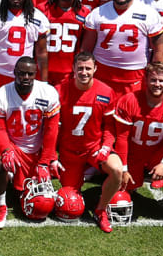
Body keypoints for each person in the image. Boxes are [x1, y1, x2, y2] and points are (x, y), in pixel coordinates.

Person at [109, 62, 163, 233]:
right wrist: (124, 168)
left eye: (161, 81)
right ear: (146, 80)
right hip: (133, 153)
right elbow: (123, 138)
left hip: (157, 152)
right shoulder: (130, 100)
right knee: (122, 190)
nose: (157, 84)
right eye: (153, 80)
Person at [53, 54, 127, 232]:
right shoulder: (59, 90)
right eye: (80, 68)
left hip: (94, 148)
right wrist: (52, 155)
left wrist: (106, 146)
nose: (84, 72)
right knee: (69, 199)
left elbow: (110, 127)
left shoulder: (106, 92)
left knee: (117, 169)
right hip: (69, 150)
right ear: (73, 69)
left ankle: (100, 210)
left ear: (95, 69)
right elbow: (51, 127)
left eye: (87, 68)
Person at [0, 57, 61, 224]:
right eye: (22, 73)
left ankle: (21, 184)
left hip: (36, 149)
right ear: (14, 73)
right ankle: (1, 207)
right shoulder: (0, 95)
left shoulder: (47, 93)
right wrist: (6, 149)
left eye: (30, 74)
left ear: (36, 74)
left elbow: (51, 130)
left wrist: (45, 161)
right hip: (11, 145)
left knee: (43, 198)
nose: (26, 77)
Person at [81, 0, 163, 94]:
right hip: (102, 73)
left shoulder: (149, 14)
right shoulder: (97, 13)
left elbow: (159, 51)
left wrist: (155, 76)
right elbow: (86, 49)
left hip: (135, 75)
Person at [40, 0, 88, 87]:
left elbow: (85, 45)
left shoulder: (84, 13)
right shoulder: (42, 9)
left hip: (69, 72)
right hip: (43, 69)